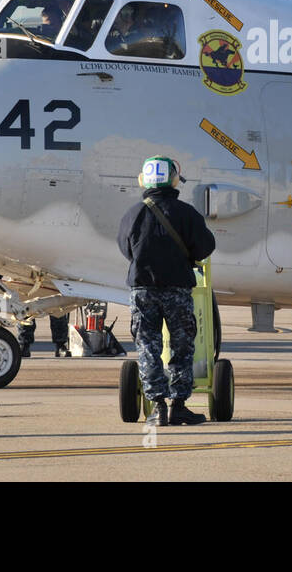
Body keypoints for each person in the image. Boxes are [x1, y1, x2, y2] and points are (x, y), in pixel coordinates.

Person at [117, 156, 215, 427]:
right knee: (182, 346)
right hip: (177, 289)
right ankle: (179, 406)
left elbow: (125, 249)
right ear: (174, 180)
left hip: (142, 290)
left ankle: (157, 407)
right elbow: (205, 247)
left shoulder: (132, 214)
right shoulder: (187, 214)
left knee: (148, 346)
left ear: (143, 181)